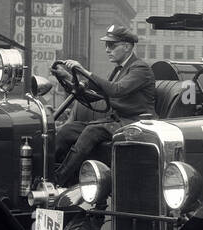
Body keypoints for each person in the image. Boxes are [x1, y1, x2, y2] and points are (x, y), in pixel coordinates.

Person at [52, 24, 156, 187]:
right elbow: (97, 90)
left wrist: (82, 70)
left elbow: (116, 90)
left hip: (135, 123)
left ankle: (59, 179)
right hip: (116, 121)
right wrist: (68, 77)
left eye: (112, 45)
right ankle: (46, 173)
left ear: (127, 47)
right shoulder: (119, 70)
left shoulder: (140, 68)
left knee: (92, 130)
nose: (107, 49)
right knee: (67, 130)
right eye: (106, 45)